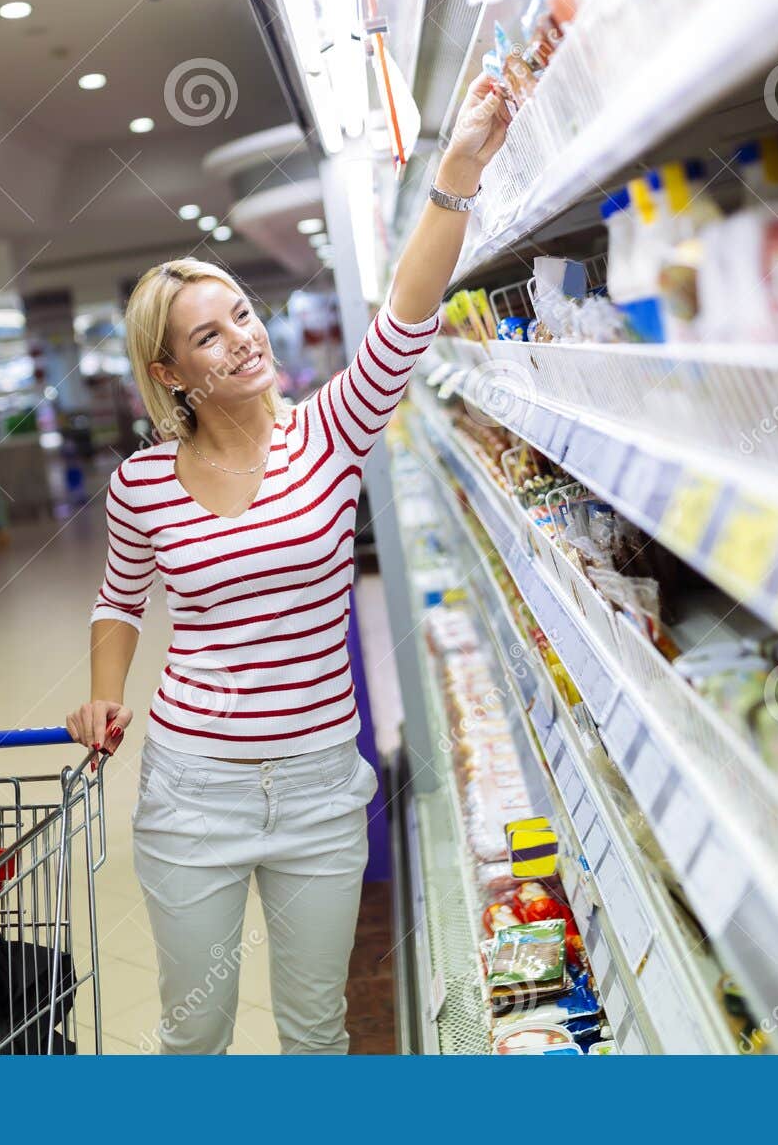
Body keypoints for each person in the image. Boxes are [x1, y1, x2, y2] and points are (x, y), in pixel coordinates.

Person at [67, 74, 511, 1054]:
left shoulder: (327, 431)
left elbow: (404, 316)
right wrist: (103, 692)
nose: (241, 338)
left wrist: (455, 174)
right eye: (207, 335)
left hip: (318, 786)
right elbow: (119, 599)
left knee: (317, 1030)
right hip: (193, 789)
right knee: (196, 1030)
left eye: (242, 315)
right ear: (169, 374)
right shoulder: (142, 482)